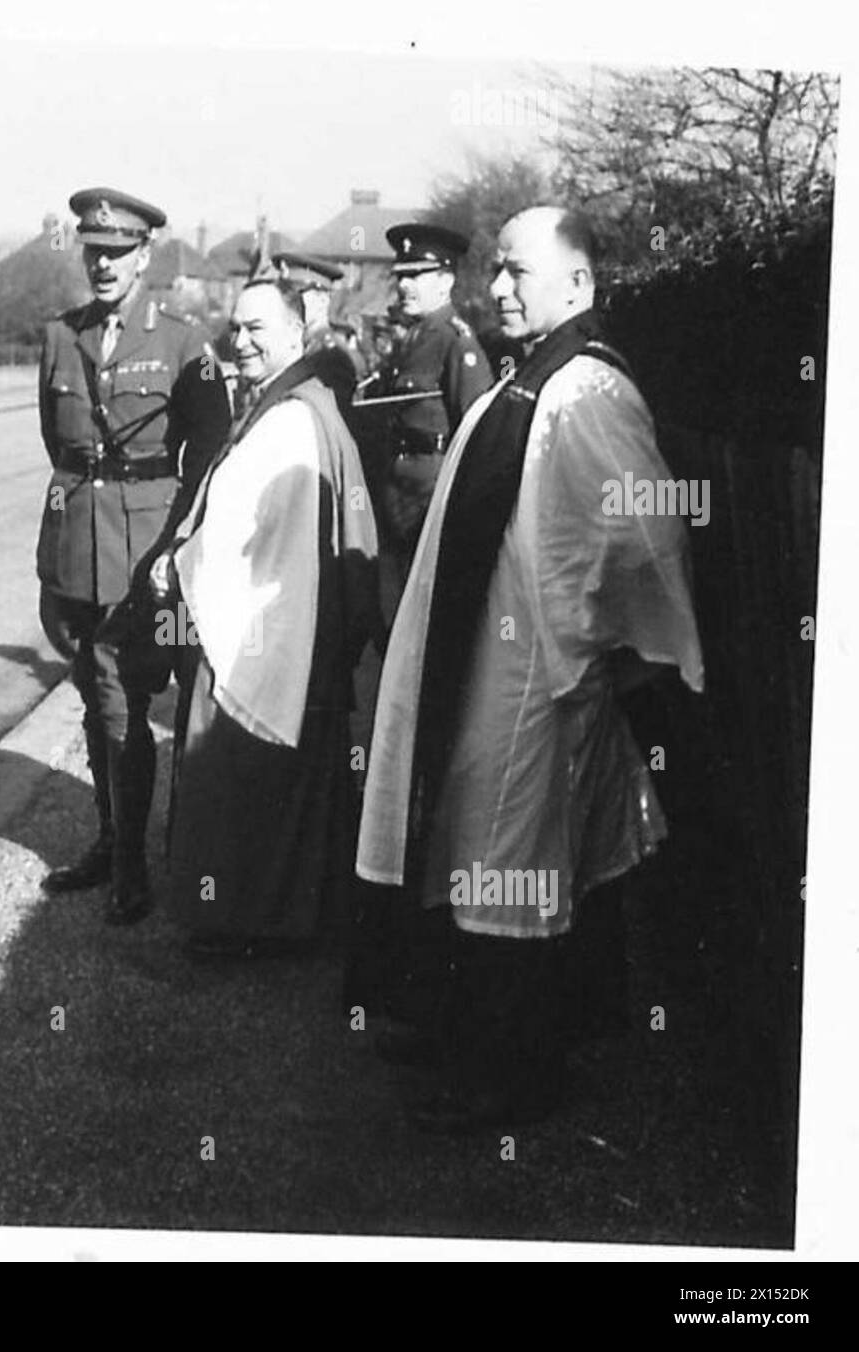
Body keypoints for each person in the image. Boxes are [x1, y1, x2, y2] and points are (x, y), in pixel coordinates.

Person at [355, 206, 704, 1126]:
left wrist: (591, 647)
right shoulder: (532, 377)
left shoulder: (588, 390)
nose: (499, 287)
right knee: (472, 850)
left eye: (519, 271)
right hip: (493, 664)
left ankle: (505, 1080)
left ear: (579, 285)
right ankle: (464, 1038)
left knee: (509, 865)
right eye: (498, 272)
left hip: (540, 678)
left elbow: (645, 529)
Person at [149, 276, 380, 956]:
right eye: (235, 330)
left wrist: (180, 560)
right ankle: (277, 916)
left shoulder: (292, 417)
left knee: (237, 776)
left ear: (293, 332)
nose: (240, 342)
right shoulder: (298, 400)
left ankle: (248, 923)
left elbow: (242, 527)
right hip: (280, 616)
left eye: (256, 330)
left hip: (264, 628)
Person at [35, 186, 231, 925]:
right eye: (94, 252)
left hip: (143, 545)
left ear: (146, 257)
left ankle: (130, 868)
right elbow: (60, 448)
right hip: (77, 541)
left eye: (118, 253)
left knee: (122, 700)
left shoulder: (183, 343)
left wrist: (176, 537)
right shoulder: (61, 336)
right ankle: (110, 838)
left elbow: (210, 450)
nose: (104, 264)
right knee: (93, 694)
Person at [366, 223, 493, 604]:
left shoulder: (457, 342)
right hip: (397, 496)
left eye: (416, 276)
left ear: (445, 281)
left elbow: (477, 436)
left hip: (431, 498)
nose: (404, 286)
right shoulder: (413, 339)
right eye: (401, 276)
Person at [272, 251, 360, 417]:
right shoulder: (301, 344)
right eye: (284, 295)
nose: (286, 303)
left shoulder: (331, 355)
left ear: (322, 300)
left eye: (296, 296)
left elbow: (335, 416)